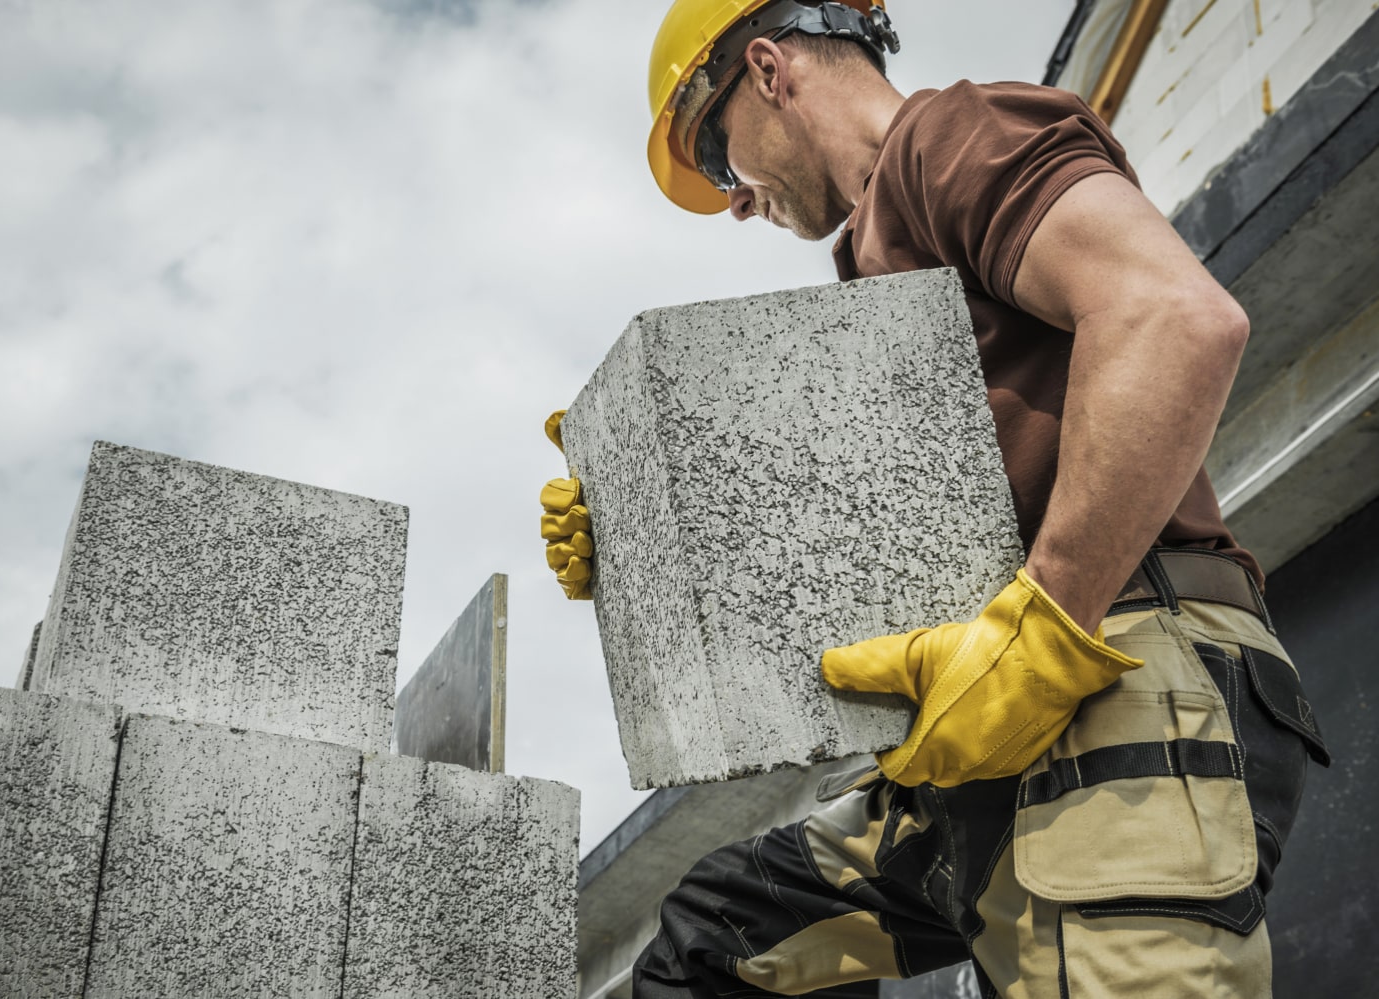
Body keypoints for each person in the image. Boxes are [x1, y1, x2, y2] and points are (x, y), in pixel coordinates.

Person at [540, 2, 1331, 995]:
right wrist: (644, 550)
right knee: (721, 939)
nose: (734, 199)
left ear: (770, 68)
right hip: (980, 735)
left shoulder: (950, 137)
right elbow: (849, 568)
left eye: (716, 160)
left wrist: (1042, 631)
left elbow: (1172, 315)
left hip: (1113, 672)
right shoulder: (867, 280)